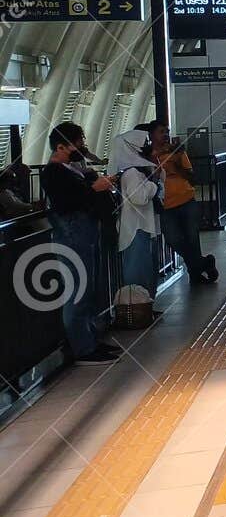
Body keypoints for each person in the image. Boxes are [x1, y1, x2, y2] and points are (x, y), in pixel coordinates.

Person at [40, 122, 119, 363]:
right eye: (77, 143)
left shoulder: (73, 168)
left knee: (88, 289)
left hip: (84, 234)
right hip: (72, 237)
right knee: (77, 291)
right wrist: (94, 188)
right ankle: (81, 348)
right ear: (61, 147)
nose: (82, 147)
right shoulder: (53, 173)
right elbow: (66, 203)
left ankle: (90, 339)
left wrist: (94, 184)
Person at [151, 123, 217, 286]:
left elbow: (192, 177)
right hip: (165, 205)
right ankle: (204, 263)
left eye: (167, 131)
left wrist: (176, 166)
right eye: (161, 132)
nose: (165, 135)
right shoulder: (147, 155)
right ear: (151, 135)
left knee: (192, 239)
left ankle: (196, 275)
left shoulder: (178, 152)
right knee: (173, 239)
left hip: (186, 200)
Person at [112, 127, 163, 326]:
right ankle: (135, 312)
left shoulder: (137, 170)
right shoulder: (132, 173)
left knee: (147, 270)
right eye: (145, 144)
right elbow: (139, 197)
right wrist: (154, 183)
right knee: (137, 273)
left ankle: (145, 309)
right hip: (136, 229)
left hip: (143, 227)